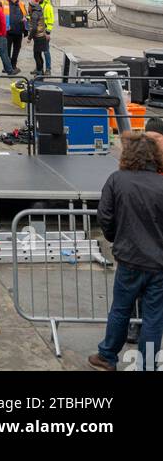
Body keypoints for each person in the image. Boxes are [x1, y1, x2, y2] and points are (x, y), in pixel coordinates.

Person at [88, 133, 163, 372]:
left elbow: (105, 216)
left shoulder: (117, 180)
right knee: (153, 318)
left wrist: (115, 238)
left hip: (129, 258)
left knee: (120, 309)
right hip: (158, 263)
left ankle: (107, 356)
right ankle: (147, 365)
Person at [3, 0, 28, 73]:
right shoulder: (3, 3)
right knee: (7, 51)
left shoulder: (21, 4)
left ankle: (13, 66)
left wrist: (26, 20)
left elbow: (26, 15)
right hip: (8, 32)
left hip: (18, 31)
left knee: (16, 50)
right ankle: (7, 67)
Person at [26, 0, 49, 78]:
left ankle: (39, 72)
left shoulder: (35, 13)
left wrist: (29, 38)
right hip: (41, 36)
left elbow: (34, 28)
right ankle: (40, 70)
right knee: (39, 54)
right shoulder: (39, 9)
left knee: (36, 55)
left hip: (39, 37)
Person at [38, 0, 55, 74]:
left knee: (46, 51)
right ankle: (39, 67)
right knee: (37, 51)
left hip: (44, 32)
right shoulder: (35, 4)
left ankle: (48, 69)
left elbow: (51, 20)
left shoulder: (48, 6)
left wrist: (48, 32)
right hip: (37, 31)